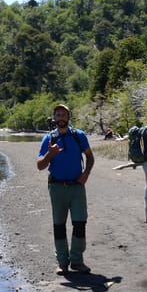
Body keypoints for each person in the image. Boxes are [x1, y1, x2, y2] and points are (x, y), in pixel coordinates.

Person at [37, 103, 95, 275]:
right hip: (56, 187)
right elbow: (40, 165)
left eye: (63, 115)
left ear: (69, 117)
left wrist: (86, 174)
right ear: (54, 118)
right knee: (59, 225)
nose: (60, 117)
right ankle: (62, 262)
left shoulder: (79, 136)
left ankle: (77, 261)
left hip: (77, 186)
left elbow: (90, 157)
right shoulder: (49, 139)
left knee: (79, 223)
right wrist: (50, 154)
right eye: (57, 115)